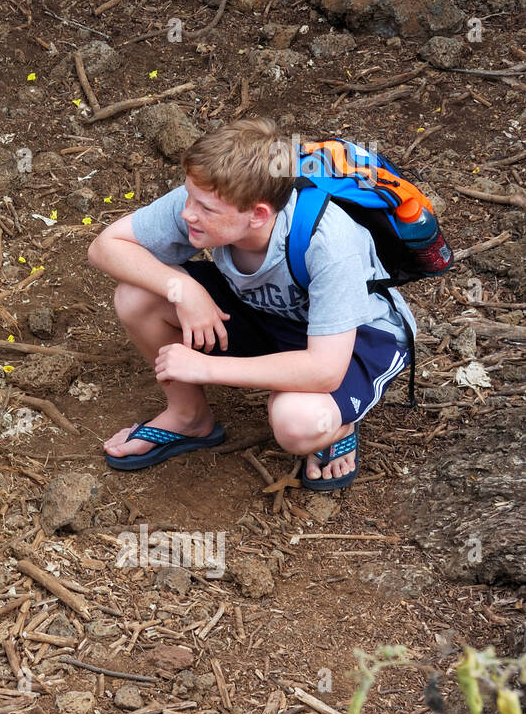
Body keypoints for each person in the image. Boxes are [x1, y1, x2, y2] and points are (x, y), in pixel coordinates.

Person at [85, 117, 415, 490]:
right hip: (265, 312)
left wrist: (204, 368)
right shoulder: (215, 192)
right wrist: (183, 288)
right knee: (138, 295)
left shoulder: (328, 242)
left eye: (205, 209)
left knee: (298, 423)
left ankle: (338, 424)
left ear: (258, 214)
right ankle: (189, 417)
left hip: (352, 338)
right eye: (189, 196)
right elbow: (105, 247)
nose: (187, 213)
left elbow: (324, 370)